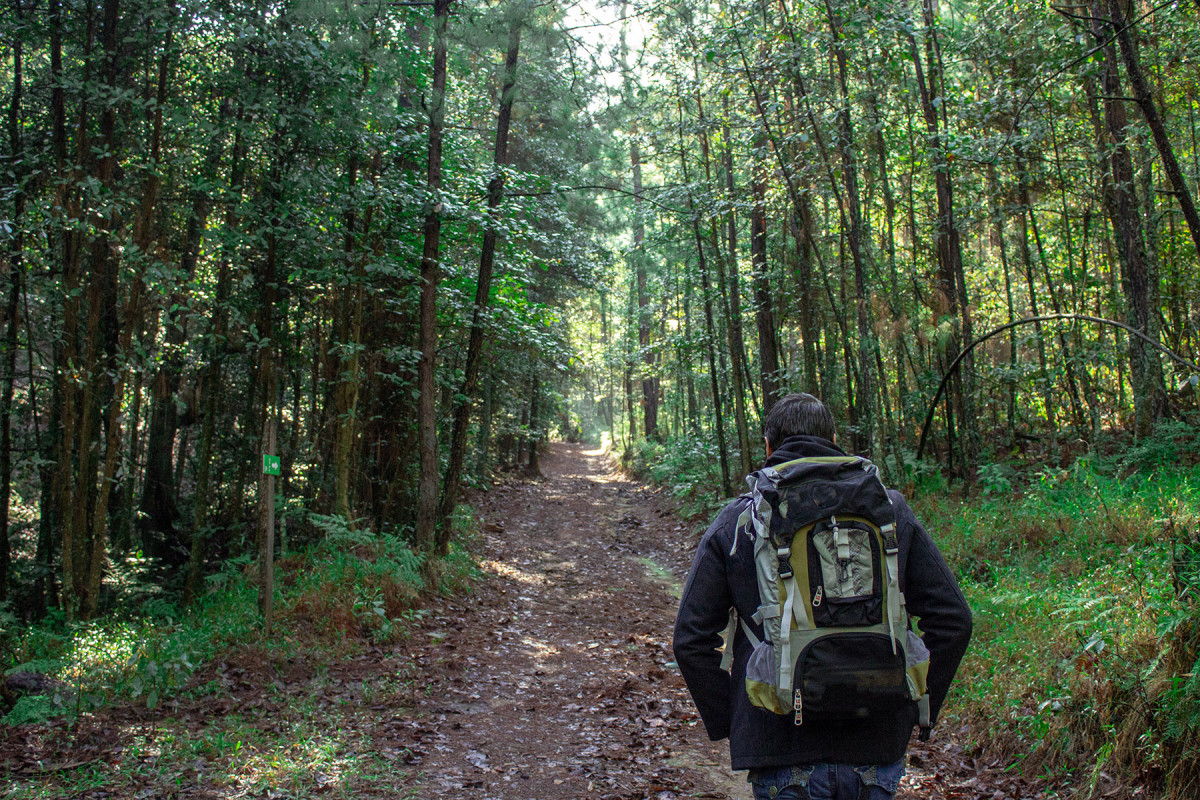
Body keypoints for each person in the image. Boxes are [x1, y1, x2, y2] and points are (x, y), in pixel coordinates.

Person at [673, 392, 972, 800]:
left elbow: (690, 639)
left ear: (768, 447)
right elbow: (954, 621)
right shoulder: (889, 510)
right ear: (833, 440)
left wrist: (737, 720)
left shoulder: (740, 521)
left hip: (779, 747)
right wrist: (914, 707)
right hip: (876, 748)